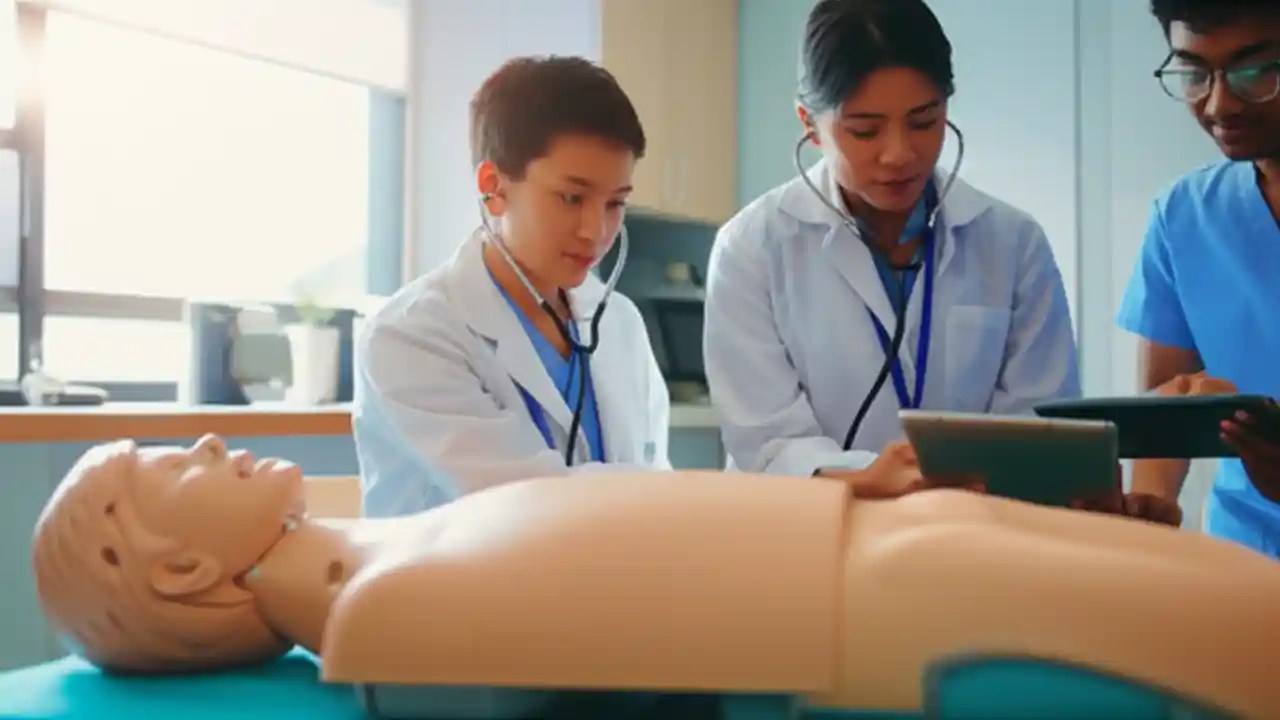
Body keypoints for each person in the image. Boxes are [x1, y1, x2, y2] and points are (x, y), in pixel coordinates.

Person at [22, 435, 1280, 719]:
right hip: (849, 606)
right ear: (182, 568)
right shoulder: (382, 617)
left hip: (837, 549)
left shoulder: (395, 558)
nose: (202, 443)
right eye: (162, 466)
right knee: (1227, 620)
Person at [703, 0, 1087, 500]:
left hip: (973, 539)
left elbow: (1040, 424)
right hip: (811, 541)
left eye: (924, 121)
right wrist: (870, 479)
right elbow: (768, 441)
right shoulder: (751, 249)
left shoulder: (1013, 244)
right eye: (865, 130)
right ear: (809, 123)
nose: (900, 154)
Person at [352, 56, 671, 517]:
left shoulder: (617, 320)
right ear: (494, 186)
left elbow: (656, 476)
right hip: (454, 587)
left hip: (601, 580)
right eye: (572, 198)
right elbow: (525, 505)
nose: (595, 231)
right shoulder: (411, 336)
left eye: (615, 204)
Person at [1116, 0, 1280, 557]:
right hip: (1246, 559)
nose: (1219, 103)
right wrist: (1149, 507)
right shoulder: (1185, 217)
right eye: (1193, 73)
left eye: (1255, 71)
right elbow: (1168, 410)